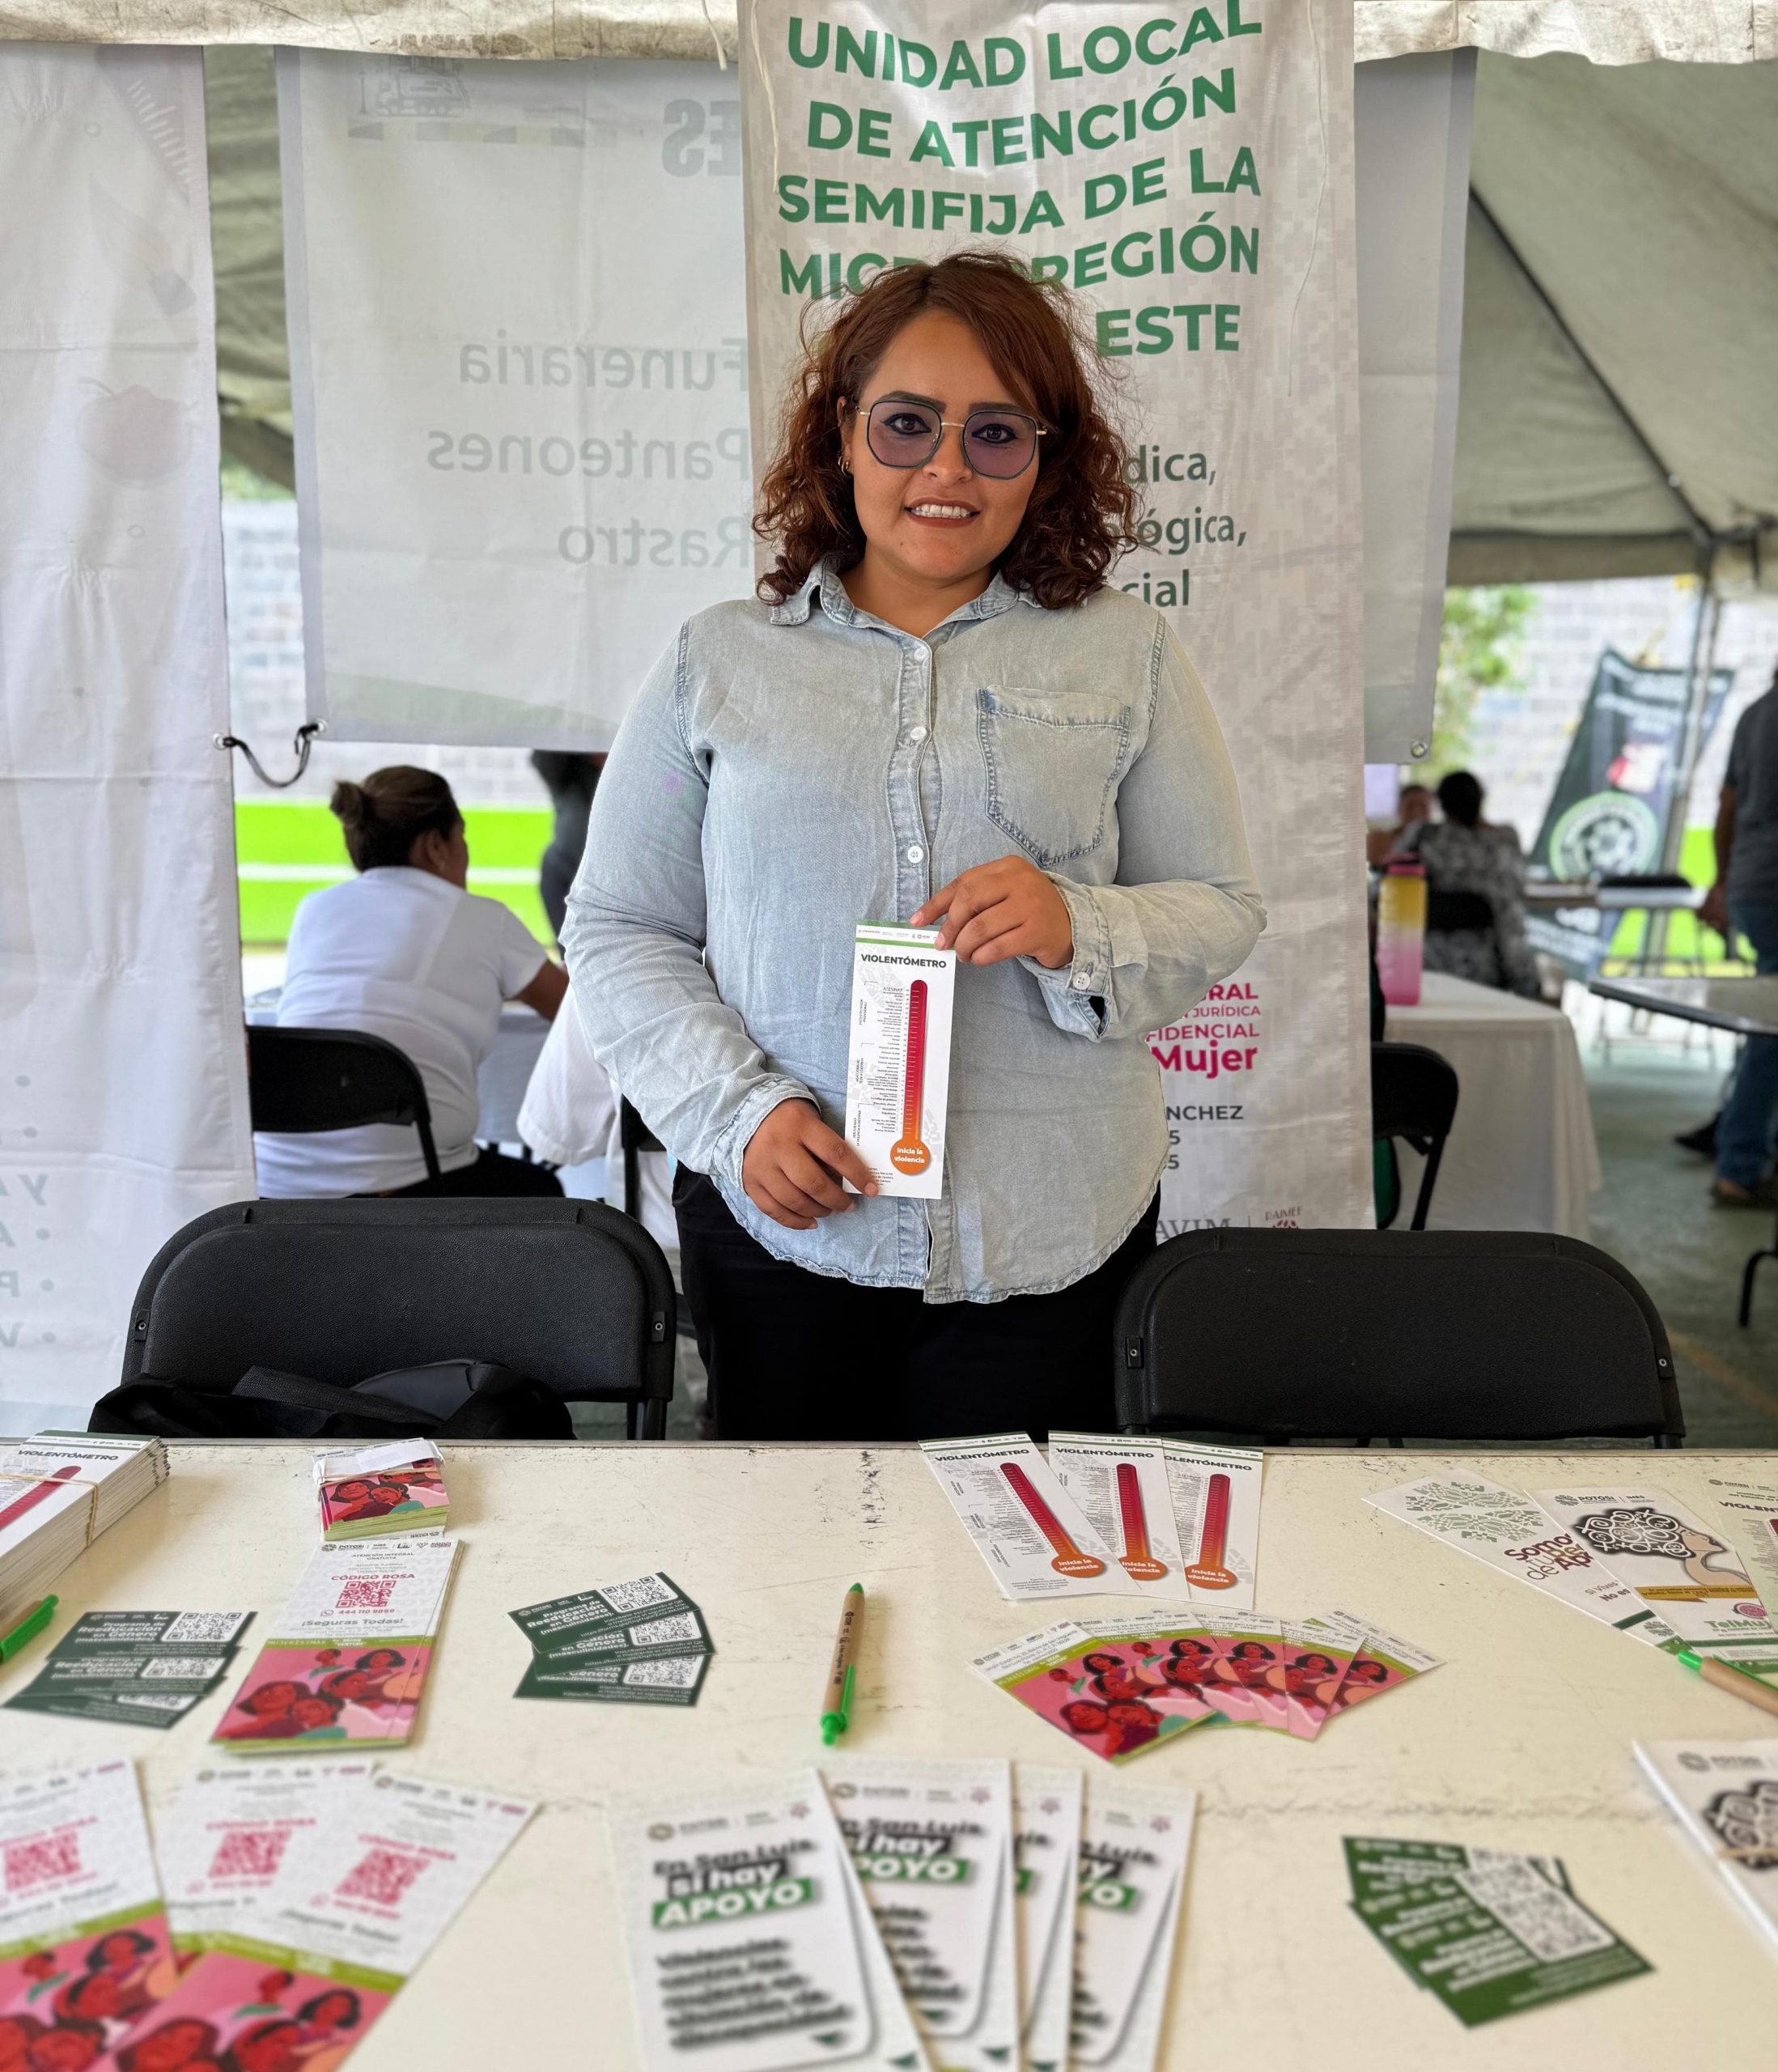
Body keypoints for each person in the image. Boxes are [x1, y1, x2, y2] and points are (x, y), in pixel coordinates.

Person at [565, 251, 1262, 1441]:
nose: (946, 468)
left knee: (1016, 1583)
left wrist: (1079, 925)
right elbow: (622, 926)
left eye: (997, 432)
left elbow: (1221, 900)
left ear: (1046, 457)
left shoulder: (1125, 653)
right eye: (906, 424)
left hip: (1049, 1233)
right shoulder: (717, 660)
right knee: (792, 1574)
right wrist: (738, 1117)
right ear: (841, 434)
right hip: (786, 1225)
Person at [253, 767, 567, 1199]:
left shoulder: (315, 909)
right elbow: (572, 1008)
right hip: (411, 1186)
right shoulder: (482, 918)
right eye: (463, 838)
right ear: (436, 845)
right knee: (543, 1194)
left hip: (279, 1185)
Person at [1700, 668, 1778, 1206]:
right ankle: (1740, 1159)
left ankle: (1741, 1155)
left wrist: (1721, 882)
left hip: (1753, 882)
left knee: (1767, 1021)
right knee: (1770, 1033)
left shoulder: (1754, 713)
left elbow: (1726, 804)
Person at [1399, 770, 1538, 994]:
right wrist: (1521, 975)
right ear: (1482, 798)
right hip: (1493, 965)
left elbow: (1390, 887)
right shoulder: (1505, 841)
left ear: (1441, 804)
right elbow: (1511, 906)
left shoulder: (1425, 837)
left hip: (1428, 966)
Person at [529, 752, 607, 942]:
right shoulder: (567, 767)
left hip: (614, 871)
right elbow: (545, 758)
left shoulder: (631, 761)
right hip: (568, 867)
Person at [1364, 779, 1432, 867]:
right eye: (1410, 807)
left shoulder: (1442, 844)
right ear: (1399, 809)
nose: (1416, 812)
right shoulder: (1378, 839)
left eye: (1423, 806)